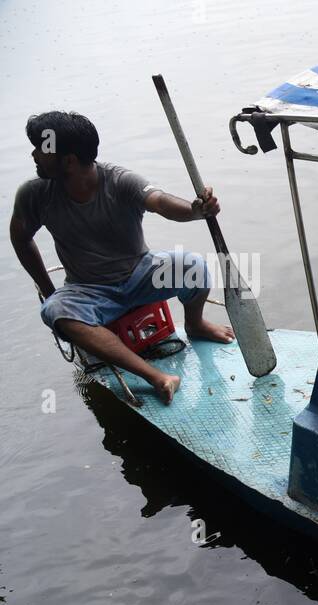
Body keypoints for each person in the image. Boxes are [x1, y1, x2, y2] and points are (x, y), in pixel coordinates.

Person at [9, 110, 234, 404]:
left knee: (194, 266)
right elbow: (20, 238)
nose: (34, 154)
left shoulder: (118, 180)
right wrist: (49, 290)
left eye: (42, 148)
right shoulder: (34, 194)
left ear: (69, 160)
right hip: (88, 289)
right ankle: (155, 376)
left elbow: (161, 202)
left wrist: (195, 211)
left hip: (139, 273)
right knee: (56, 312)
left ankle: (195, 324)